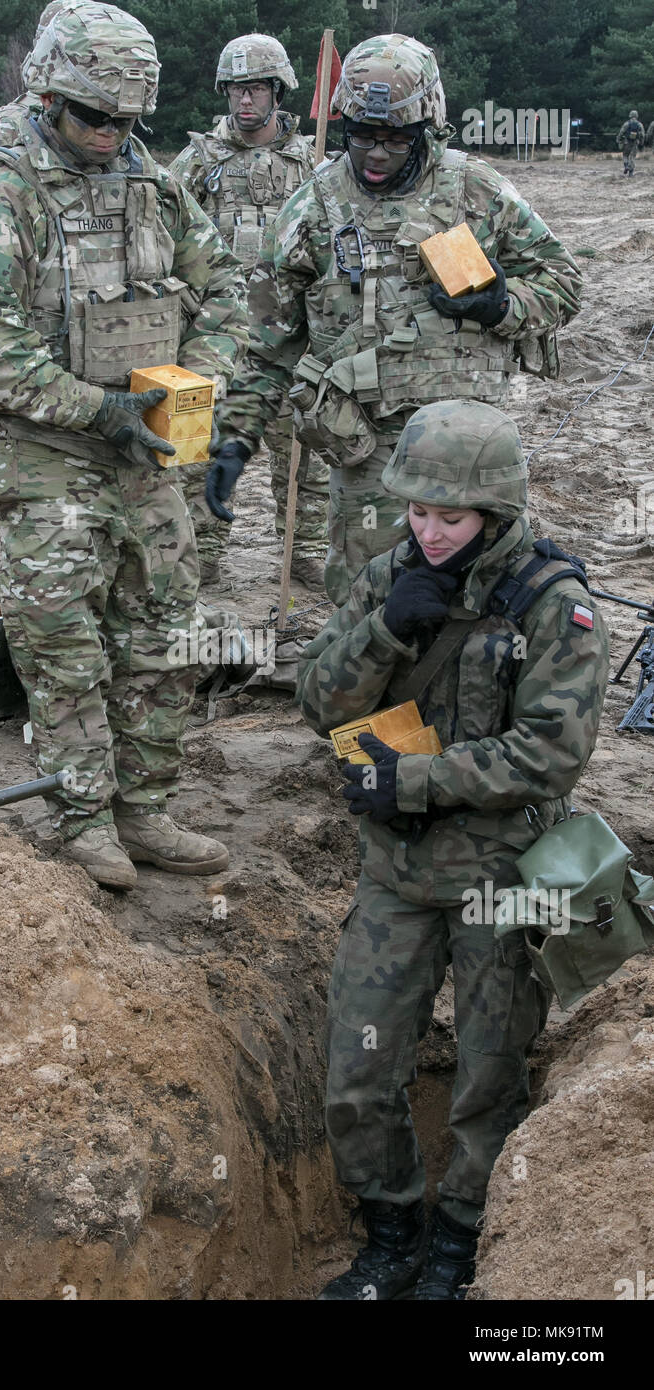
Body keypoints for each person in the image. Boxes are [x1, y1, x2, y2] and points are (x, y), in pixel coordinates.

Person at [294, 399, 610, 1300]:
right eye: (420, 512)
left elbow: (553, 752)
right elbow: (319, 700)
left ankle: (460, 1249)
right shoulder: (392, 572)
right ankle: (390, 1234)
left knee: (488, 1075)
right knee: (357, 1071)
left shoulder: (555, 602)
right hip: (395, 873)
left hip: (504, 879)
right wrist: (388, 628)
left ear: (497, 514)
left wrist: (419, 782)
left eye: (452, 517)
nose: (430, 532)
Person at [0, 3, 248, 891]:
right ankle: (82, 817)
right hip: (50, 456)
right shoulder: (1, 197)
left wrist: (199, 381)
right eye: (92, 118)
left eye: (125, 121)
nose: (110, 136)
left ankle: (143, 806)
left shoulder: (152, 183)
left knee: (164, 628)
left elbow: (223, 285)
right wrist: (96, 410)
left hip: (146, 450)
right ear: (46, 95)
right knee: (63, 640)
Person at [208, 33, 582, 607]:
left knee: (480, 602)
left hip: (471, 451)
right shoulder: (312, 210)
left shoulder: (476, 191)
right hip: (368, 451)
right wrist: (235, 439)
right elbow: (270, 345)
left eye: (394, 140)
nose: (376, 155)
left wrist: (501, 305)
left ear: (426, 129)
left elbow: (563, 283)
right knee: (371, 603)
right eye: (362, 138)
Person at [168, 34, 329, 590]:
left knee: (303, 450)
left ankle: (305, 548)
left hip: (289, 334)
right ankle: (205, 548)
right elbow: (162, 232)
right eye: (237, 89)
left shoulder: (311, 161)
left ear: (277, 92)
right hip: (217, 333)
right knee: (205, 450)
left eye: (256, 89)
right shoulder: (197, 161)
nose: (244, 101)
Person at [617, 109, 645, 176]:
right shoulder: (640, 124)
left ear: (630, 116)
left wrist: (618, 139)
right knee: (632, 157)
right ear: (637, 116)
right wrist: (641, 143)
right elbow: (642, 135)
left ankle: (626, 166)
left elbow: (621, 132)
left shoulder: (626, 123)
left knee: (625, 155)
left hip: (627, 142)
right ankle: (631, 173)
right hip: (635, 143)